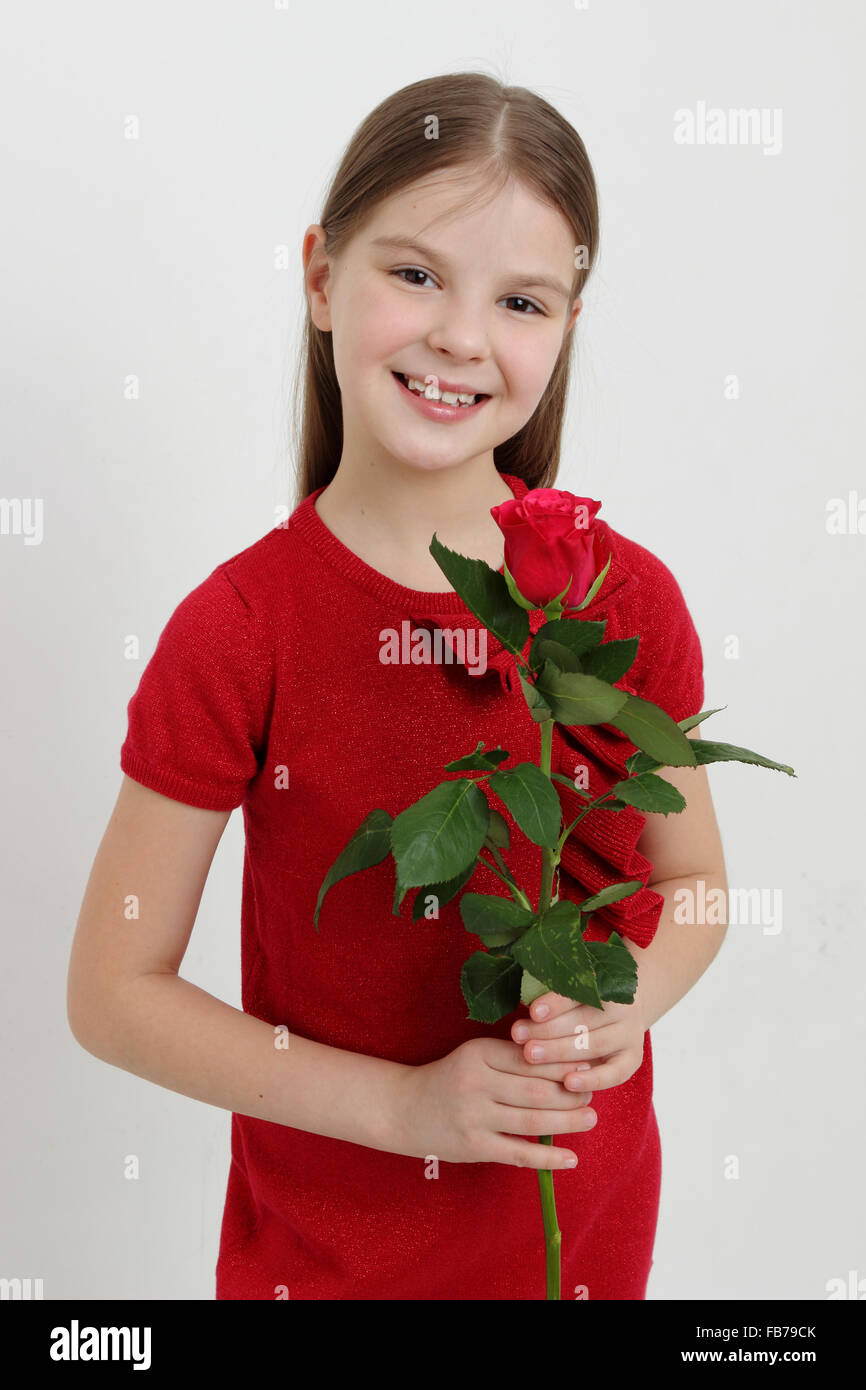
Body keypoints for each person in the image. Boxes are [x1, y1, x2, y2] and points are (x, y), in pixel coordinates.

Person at [67, 72, 728, 1301]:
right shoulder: (241, 629)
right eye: (414, 273)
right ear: (321, 277)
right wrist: (407, 1106)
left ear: (565, 329)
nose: (460, 336)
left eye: (519, 299)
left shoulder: (620, 599)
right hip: (322, 1270)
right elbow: (112, 991)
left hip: (577, 1257)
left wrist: (618, 1010)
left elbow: (691, 885)